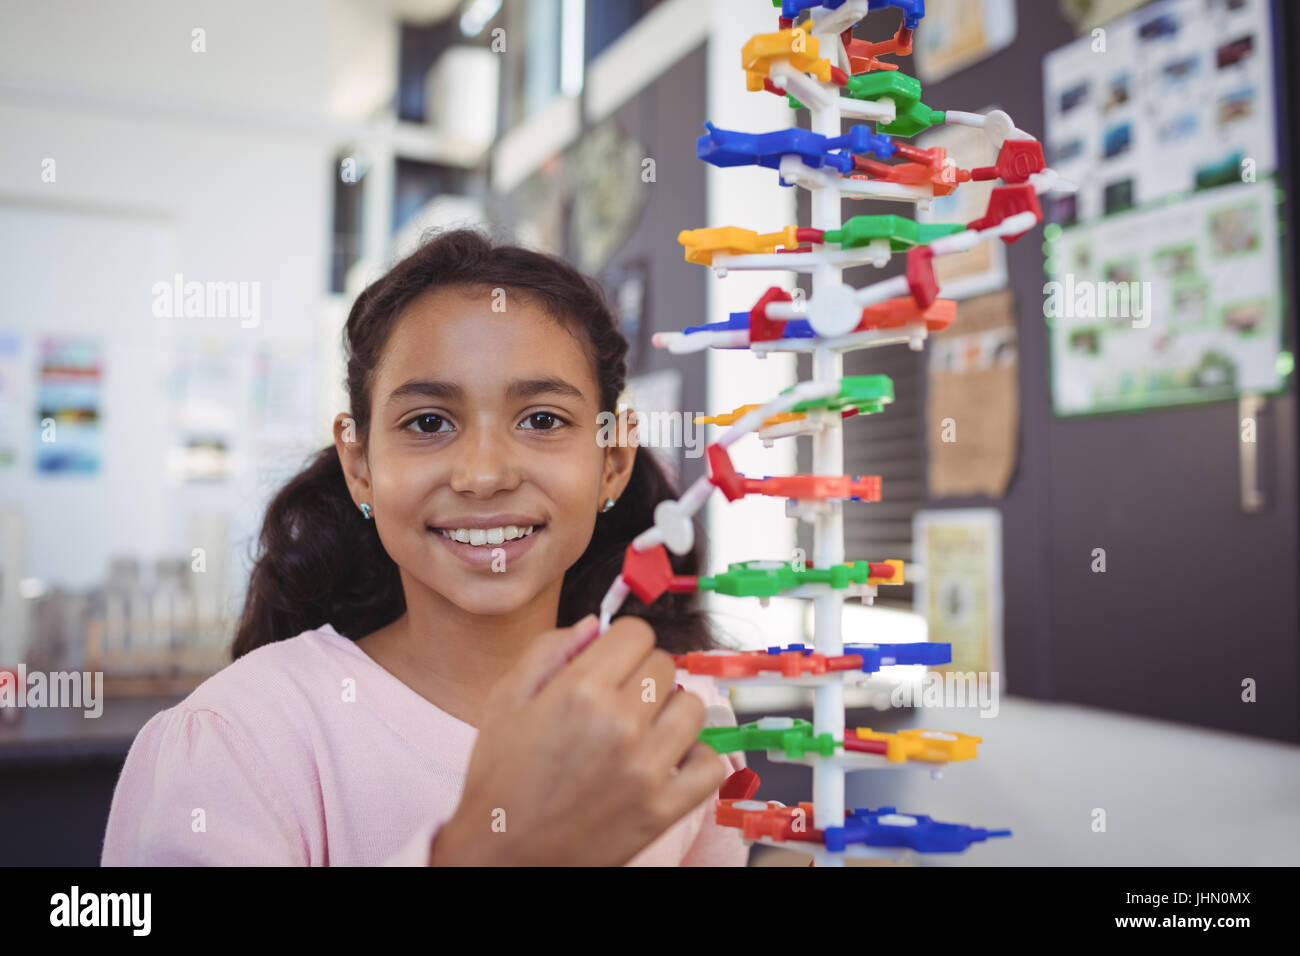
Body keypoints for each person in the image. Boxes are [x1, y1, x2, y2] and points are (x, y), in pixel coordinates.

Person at [101, 227, 748, 866]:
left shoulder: (674, 717)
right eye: (429, 423)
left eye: (543, 420)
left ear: (613, 459)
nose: (485, 474)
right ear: (361, 466)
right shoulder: (237, 740)